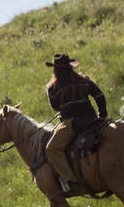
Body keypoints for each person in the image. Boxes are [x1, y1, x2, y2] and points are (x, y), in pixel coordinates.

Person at [44, 53, 107, 194]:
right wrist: (102, 116)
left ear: (55, 70)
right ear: (70, 67)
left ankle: (70, 181)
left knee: (51, 149)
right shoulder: (84, 80)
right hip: (91, 119)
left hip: (72, 123)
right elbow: (99, 96)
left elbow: (56, 107)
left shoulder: (52, 88)